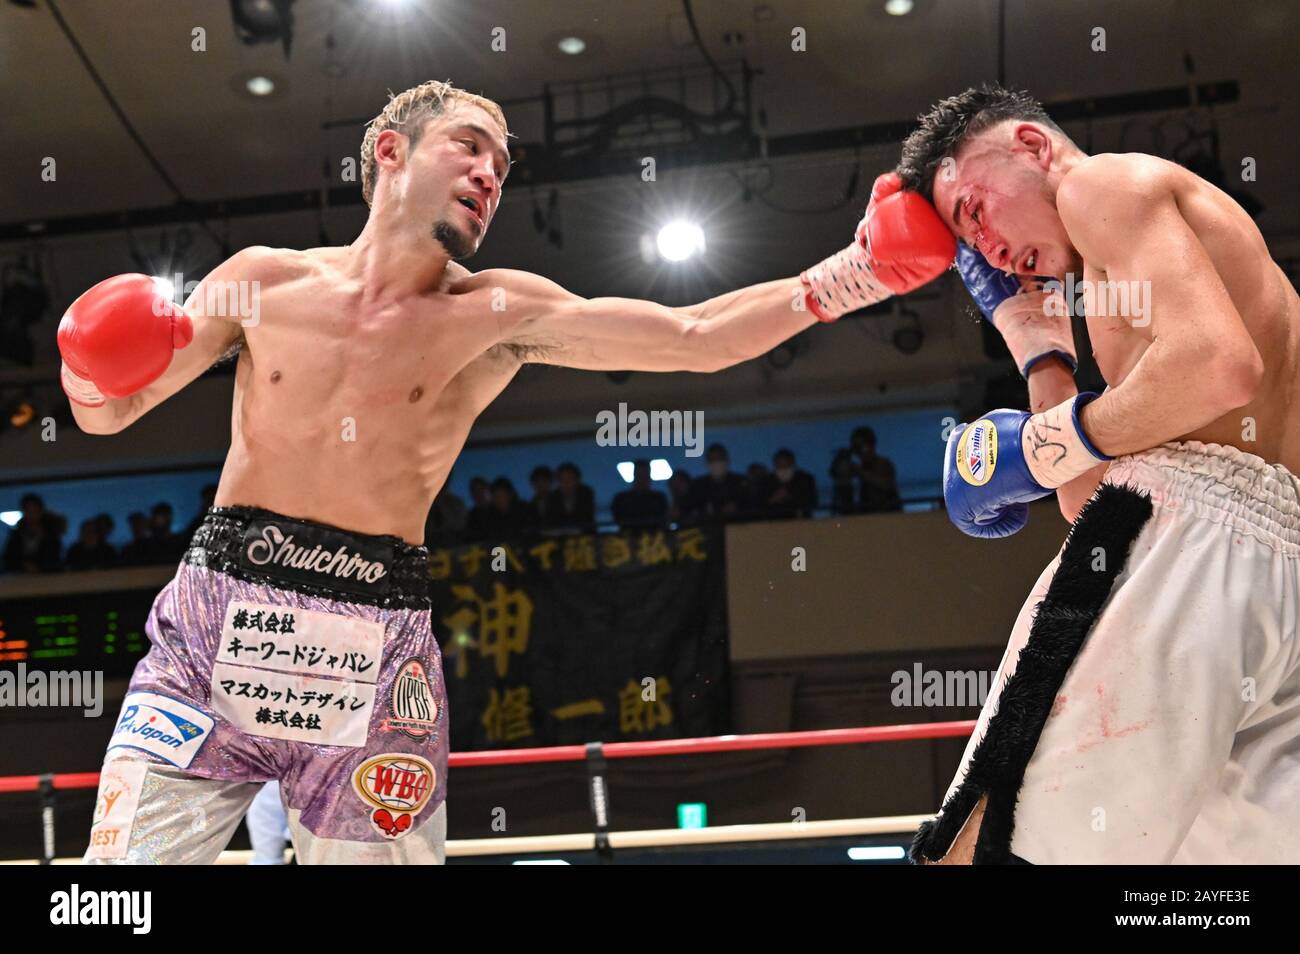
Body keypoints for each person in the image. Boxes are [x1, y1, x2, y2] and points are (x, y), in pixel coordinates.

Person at [67, 79, 952, 865]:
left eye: (503, 164)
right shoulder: (263, 280)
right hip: (213, 630)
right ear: (390, 152)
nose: (492, 174)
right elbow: (111, 414)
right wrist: (86, 364)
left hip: (373, 650)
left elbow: (697, 338)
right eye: (470, 146)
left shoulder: (498, 310)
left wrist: (853, 276)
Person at [896, 85, 1300, 864]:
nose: (985, 248)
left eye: (974, 209)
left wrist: (1042, 446)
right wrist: (1040, 348)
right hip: (1273, 583)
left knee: (989, 849)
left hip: (1186, 548)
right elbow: (1095, 505)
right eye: (967, 242)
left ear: (1034, 147)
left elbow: (1220, 369)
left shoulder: (1100, 183)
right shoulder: (1136, 279)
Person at [2, 493, 64, 573]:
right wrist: (23, 565)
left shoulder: (51, 535)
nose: (31, 515)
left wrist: (40, 568)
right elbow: (8, 559)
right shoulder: (16, 535)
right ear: (23, 512)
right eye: (28, 511)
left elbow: (55, 559)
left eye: (34, 511)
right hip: (19, 579)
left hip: (46, 579)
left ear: (40, 511)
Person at [688, 443, 747, 523]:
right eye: (712, 459)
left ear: (727, 460)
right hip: (708, 528)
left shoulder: (740, 482)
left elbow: (750, 505)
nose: (716, 462)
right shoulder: (698, 485)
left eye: (719, 458)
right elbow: (692, 509)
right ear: (707, 463)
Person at [850, 426, 901, 512]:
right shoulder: (860, 468)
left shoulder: (884, 464)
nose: (859, 452)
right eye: (856, 448)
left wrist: (861, 473)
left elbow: (886, 485)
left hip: (887, 515)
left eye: (861, 447)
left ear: (872, 445)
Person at [611, 459, 669, 531]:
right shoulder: (621, 499)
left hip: (654, 539)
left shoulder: (659, 498)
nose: (642, 479)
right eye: (640, 475)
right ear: (634, 475)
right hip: (632, 538)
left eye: (645, 474)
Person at [762, 449, 817, 519]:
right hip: (774, 522)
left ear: (792, 463)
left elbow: (812, 502)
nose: (783, 469)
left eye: (786, 465)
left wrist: (790, 497)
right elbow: (759, 504)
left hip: (801, 521)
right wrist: (772, 500)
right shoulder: (767, 481)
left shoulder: (805, 480)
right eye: (779, 465)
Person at [544, 462, 597, 534]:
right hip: (558, 538)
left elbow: (587, 518)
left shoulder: (586, 494)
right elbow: (551, 520)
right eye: (562, 479)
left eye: (570, 478)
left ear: (577, 480)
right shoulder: (553, 497)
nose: (566, 483)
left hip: (585, 536)